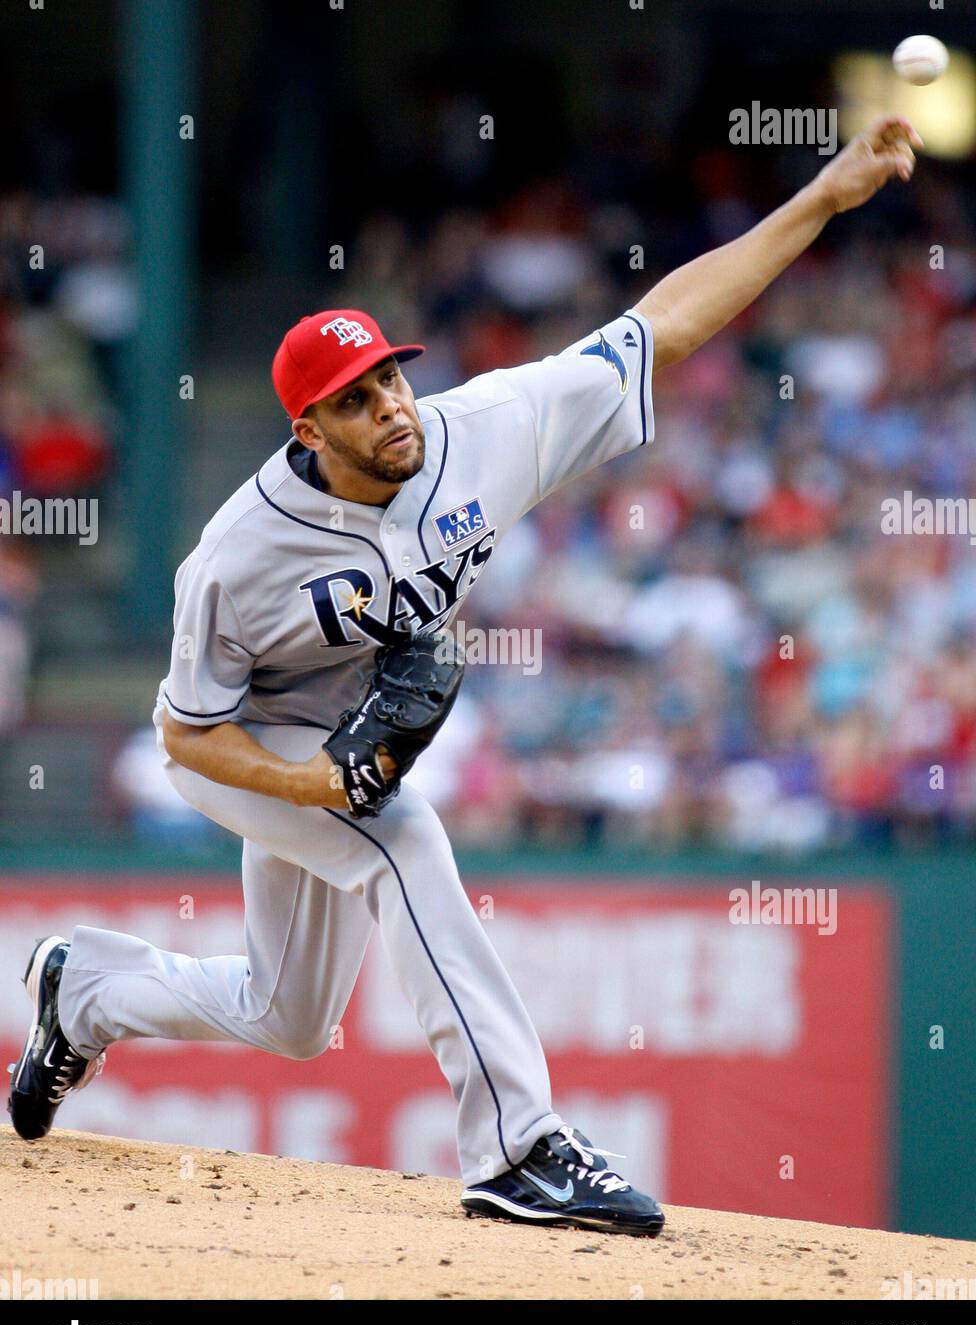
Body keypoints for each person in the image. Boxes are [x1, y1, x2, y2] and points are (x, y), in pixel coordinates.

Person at [7, 117, 921, 1237]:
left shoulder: (481, 430)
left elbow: (661, 326)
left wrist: (823, 198)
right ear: (307, 426)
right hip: (240, 742)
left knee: (287, 1014)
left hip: (338, 729)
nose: (388, 406)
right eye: (353, 399)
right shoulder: (235, 557)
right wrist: (314, 789)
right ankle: (517, 1146)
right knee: (402, 833)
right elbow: (187, 737)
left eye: (388, 377)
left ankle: (82, 988)